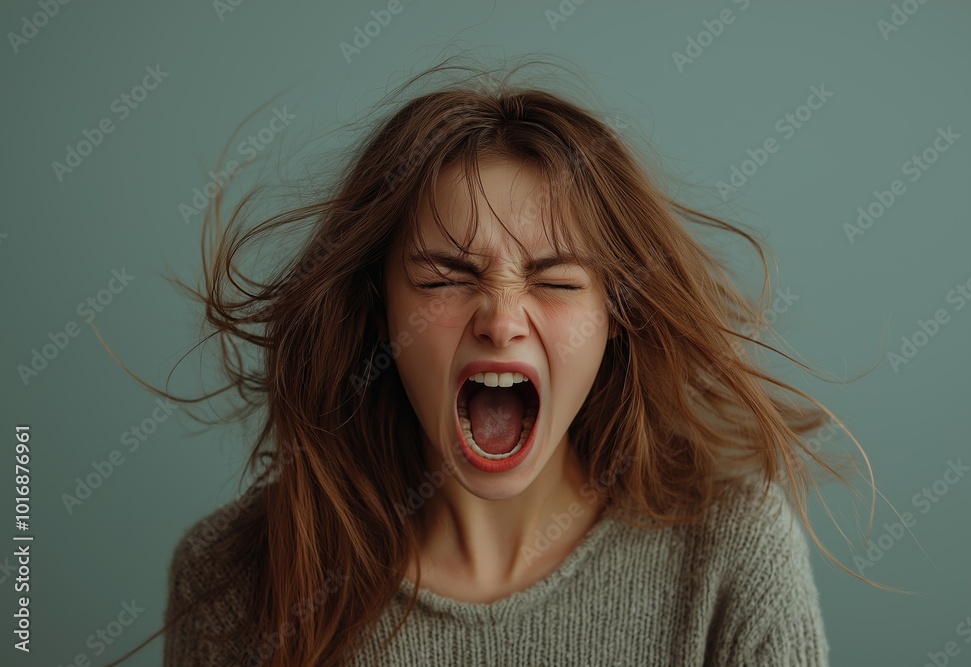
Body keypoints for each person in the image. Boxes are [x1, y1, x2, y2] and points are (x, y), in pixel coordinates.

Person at [106, 55, 889, 667]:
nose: (502, 320)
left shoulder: (731, 553)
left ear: (616, 315)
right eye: (447, 276)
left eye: (554, 279)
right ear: (380, 308)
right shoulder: (233, 577)